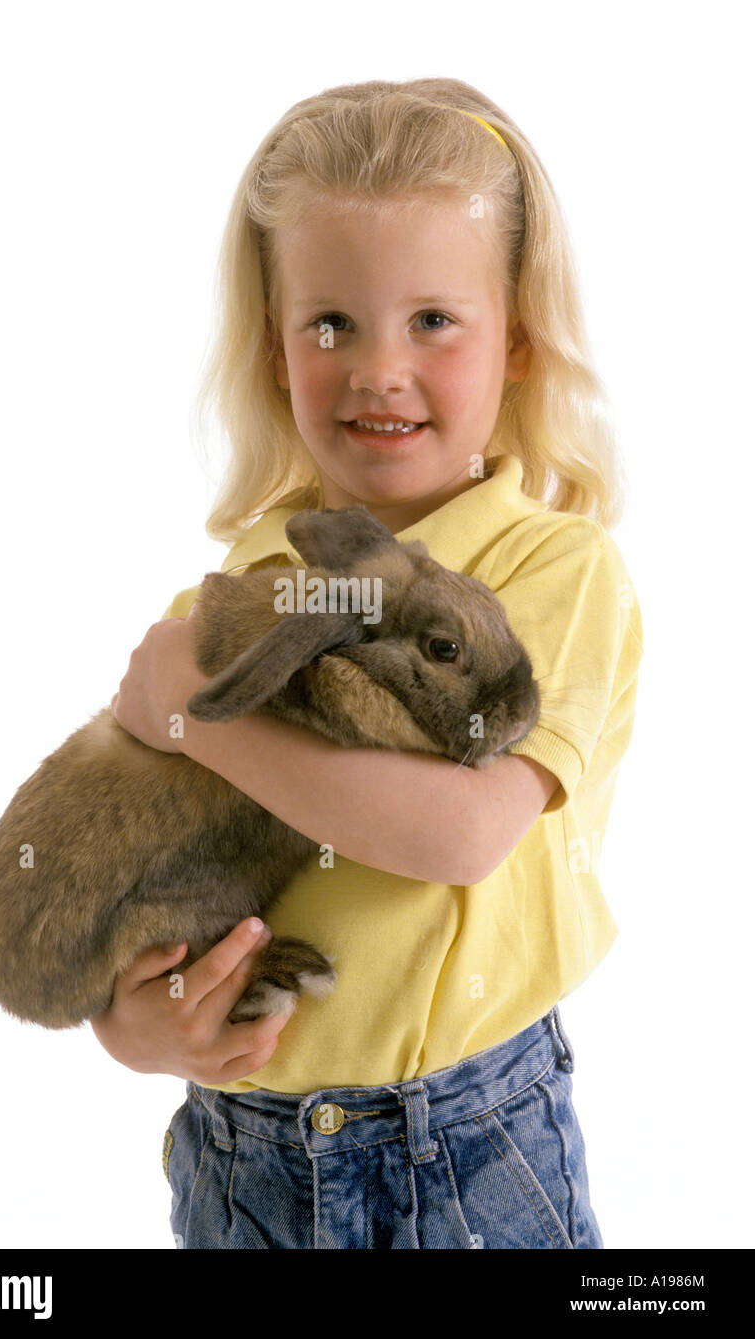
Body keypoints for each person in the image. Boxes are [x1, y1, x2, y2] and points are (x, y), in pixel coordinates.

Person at [93, 78, 643, 1249]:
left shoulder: (551, 570)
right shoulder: (249, 580)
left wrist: (200, 710)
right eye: (330, 324)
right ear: (275, 345)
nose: (375, 369)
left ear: (519, 345)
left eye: (433, 321)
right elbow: (146, 857)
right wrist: (138, 1029)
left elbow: (458, 834)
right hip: (240, 1153)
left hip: (466, 1145)